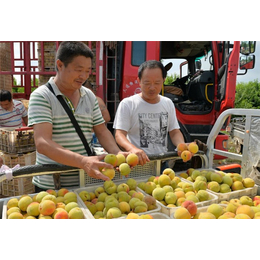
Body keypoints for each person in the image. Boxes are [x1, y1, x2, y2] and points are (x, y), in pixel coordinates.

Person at [28, 41, 128, 191]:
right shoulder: (42, 96)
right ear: (60, 65)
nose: (84, 76)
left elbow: (101, 131)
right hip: (53, 184)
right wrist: (83, 161)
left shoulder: (89, 96)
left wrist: (117, 154)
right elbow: (42, 143)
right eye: (78, 69)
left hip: (85, 181)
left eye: (88, 71)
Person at [113, 60, 186, 166]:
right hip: (137, 163)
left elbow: (174, 131)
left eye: (157, 83)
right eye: (147, 83)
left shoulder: (168, 103)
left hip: (161, 163)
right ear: (139, 80)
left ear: (163, 81)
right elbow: (119, 135)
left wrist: (181, 145)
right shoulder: (128, 104)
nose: (152, 87)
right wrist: (132, 149)